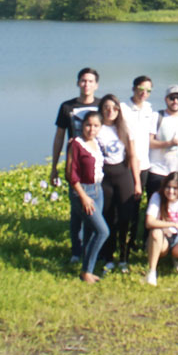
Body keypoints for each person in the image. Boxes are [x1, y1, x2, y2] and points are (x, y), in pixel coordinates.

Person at [96, 94, 141, 274]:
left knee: (125, 218)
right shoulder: (96, 129)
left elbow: (133, 156)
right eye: (106, 107)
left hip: (123, 176)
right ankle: (108, 257)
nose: (110, 111)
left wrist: (137, 182)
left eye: (114, 108)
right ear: (101, 109)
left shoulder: (124, 129)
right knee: (108, 218)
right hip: (104, 178)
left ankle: (124, 257)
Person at [66, 111, 110, 283]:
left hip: (97, 190)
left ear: (100, 127)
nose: (91, 129)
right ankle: (86, 272)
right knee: (103, 231)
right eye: (88, 125)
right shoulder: (76, 144)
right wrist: (83, 196)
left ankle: (87, 267)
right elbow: (71, 174)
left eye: (96, 125)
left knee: (91, 233)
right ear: (82, 126)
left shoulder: (96, 143)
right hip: (83, 191)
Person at [144, 172, 178, 286]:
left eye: (175, 188)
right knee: (155, 233)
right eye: (168, 187)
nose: (171, 191)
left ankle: (176, 258)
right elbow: (149, 222)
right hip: (162, 238)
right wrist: (173, 224)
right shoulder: (157, 197)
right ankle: (152, 271)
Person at [121, 75, 156, 252]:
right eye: (141, 88)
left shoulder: (150, 109)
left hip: (145, 165)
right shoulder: (123, 108)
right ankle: (123, 240)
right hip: (126, 164)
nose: (144, 93)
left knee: (138, 202)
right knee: (127, 204)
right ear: (134, 88)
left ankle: (134, 240)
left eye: (148, 90)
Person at [51, 67, 100, 184]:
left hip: (99, 163)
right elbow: (59, 138)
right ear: (78, 83)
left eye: (90, 81)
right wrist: (54, 167)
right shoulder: (67, 107)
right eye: (83, 81)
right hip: (76, 162)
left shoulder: (102, 105)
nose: (86, 84)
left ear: (96, 85)